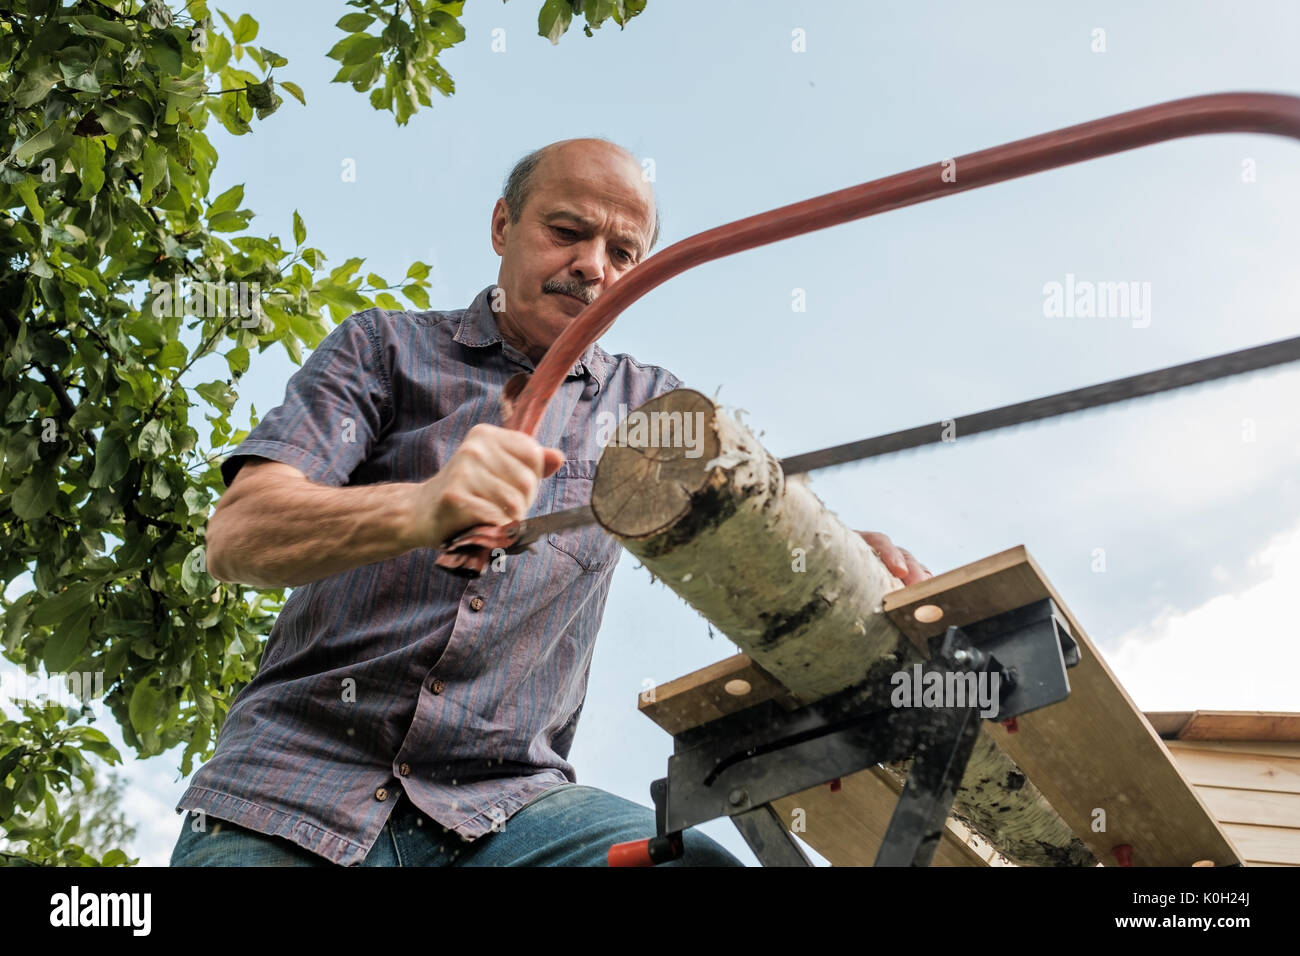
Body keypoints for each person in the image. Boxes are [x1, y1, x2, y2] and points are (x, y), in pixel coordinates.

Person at [169, 137, 931, 868]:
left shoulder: (653, 409)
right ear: (503, 225)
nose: (593, 267)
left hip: (506, 814)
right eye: (567, 231)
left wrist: (841, 550)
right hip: (287, 790)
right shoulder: (381, 348)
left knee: (688, 863)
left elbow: (757, 517)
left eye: (624, 255)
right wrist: (421, 508)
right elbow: (240, 536)